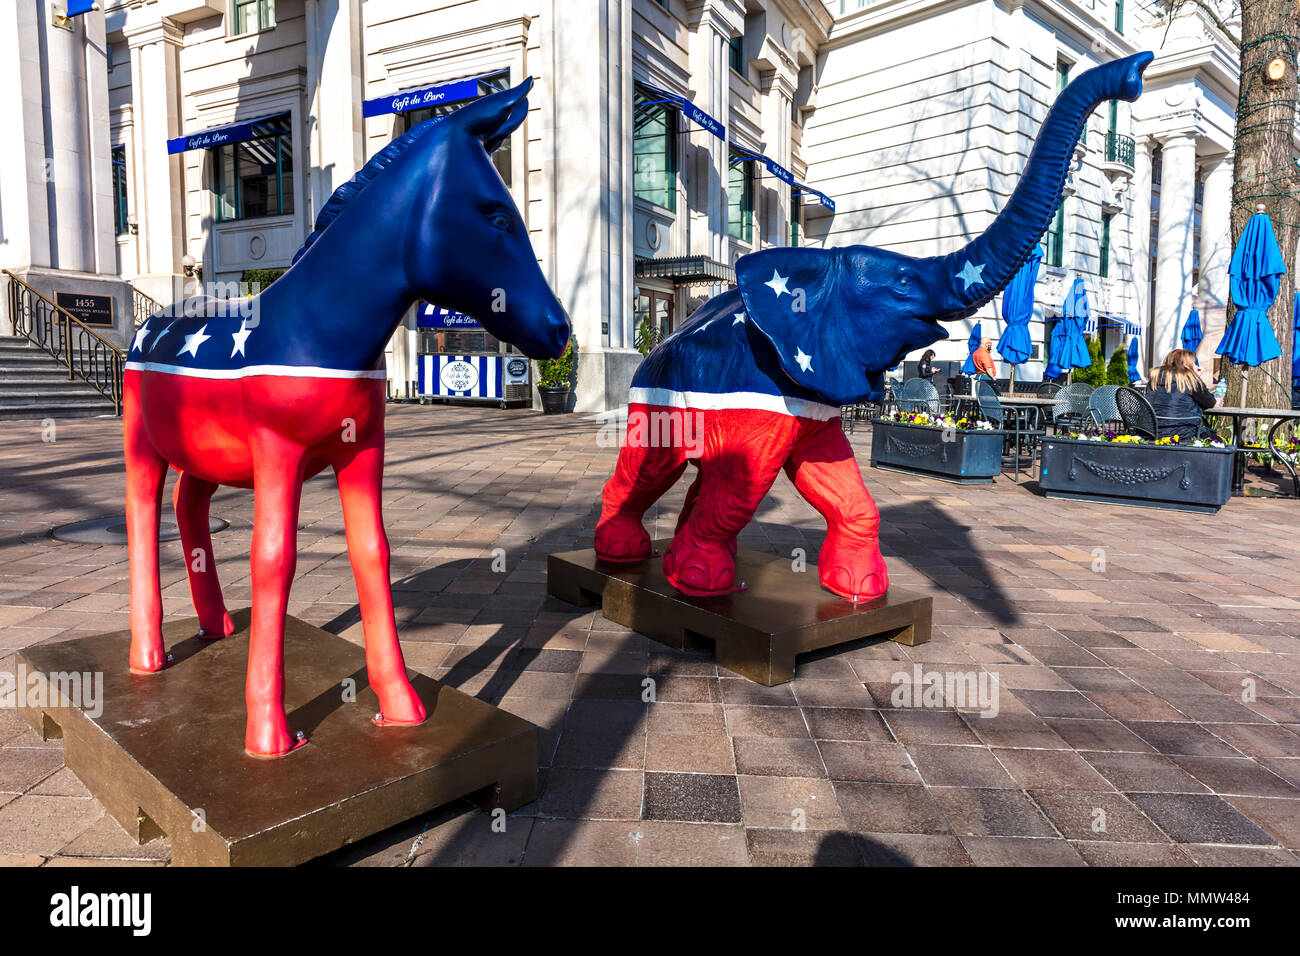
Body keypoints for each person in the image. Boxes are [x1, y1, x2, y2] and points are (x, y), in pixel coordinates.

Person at [1146, 348, 1215, 437]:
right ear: (1188, 364)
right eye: (1194, 363)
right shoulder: (1191, 380)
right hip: (1183, 433)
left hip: (1151, 433)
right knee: (1218, 441)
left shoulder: (1154, 378)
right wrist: (1197, 377)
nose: (1196, 365)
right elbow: (1210, 402)